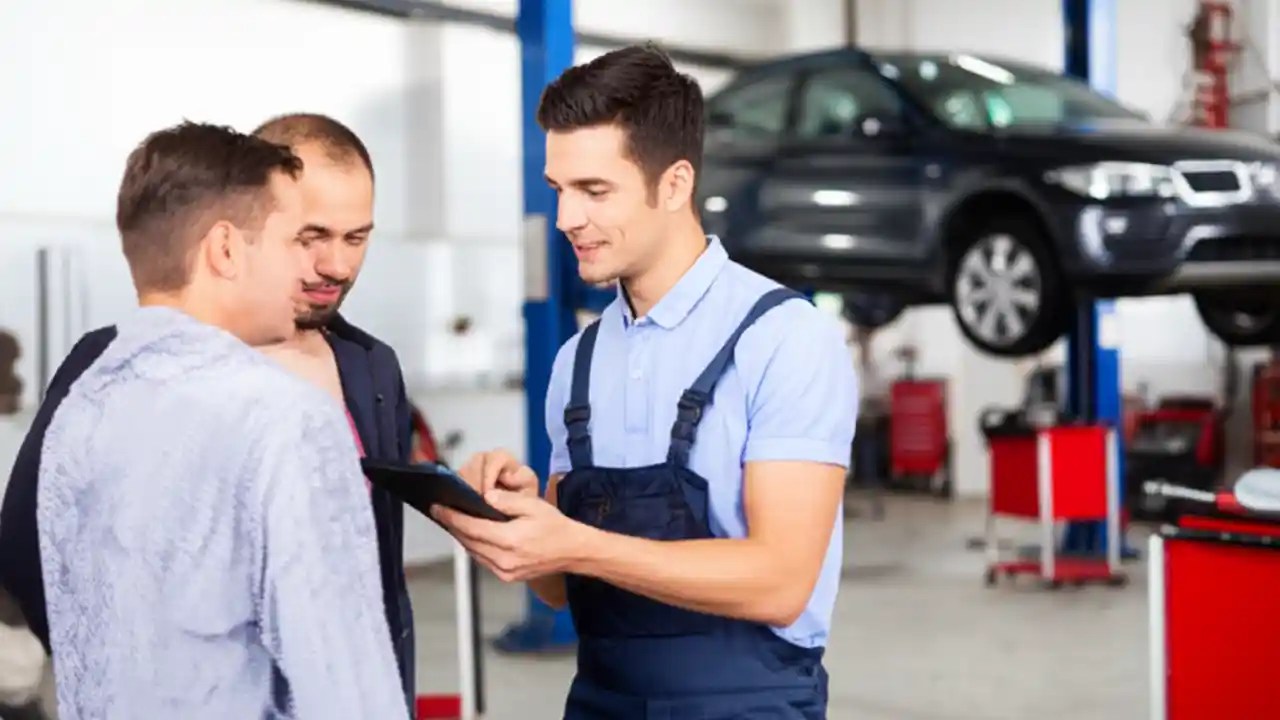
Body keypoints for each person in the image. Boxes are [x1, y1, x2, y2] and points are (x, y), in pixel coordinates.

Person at [433, 45, 858, 718]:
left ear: (675, 184)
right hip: (600, 701)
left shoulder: (783, 338)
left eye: (595, 191)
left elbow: (781, 582)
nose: (568, 218)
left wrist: (580, 541)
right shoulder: (579, 360)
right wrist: (515, 518)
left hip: (747, 706)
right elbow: (559, 588)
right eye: (559, 190)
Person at [0, 113, 419, 715]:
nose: (334, 265)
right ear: (235, 235)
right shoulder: (110, 371)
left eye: (357, 238)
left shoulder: (370, 367)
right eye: (304, 238)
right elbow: (32, 548)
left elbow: (367, 576)